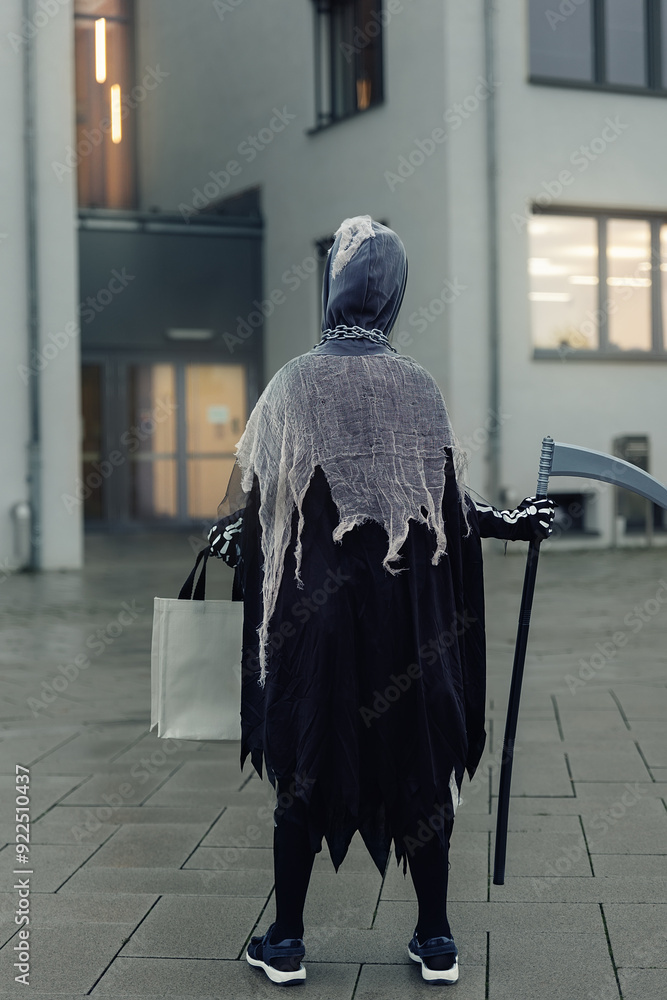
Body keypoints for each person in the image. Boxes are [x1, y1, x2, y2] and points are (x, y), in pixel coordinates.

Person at [207, 216, 555, 986]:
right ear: (392, 295)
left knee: (304, 757)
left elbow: (245, 503)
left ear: (335, 287)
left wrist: (234, 539)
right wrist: (511, 523)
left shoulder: (292, 383)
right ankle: (435, 939)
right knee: (420, 764)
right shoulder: (418, 388)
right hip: (407, 628)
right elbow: (450, 509)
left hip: (314, 625)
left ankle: (287, 941)